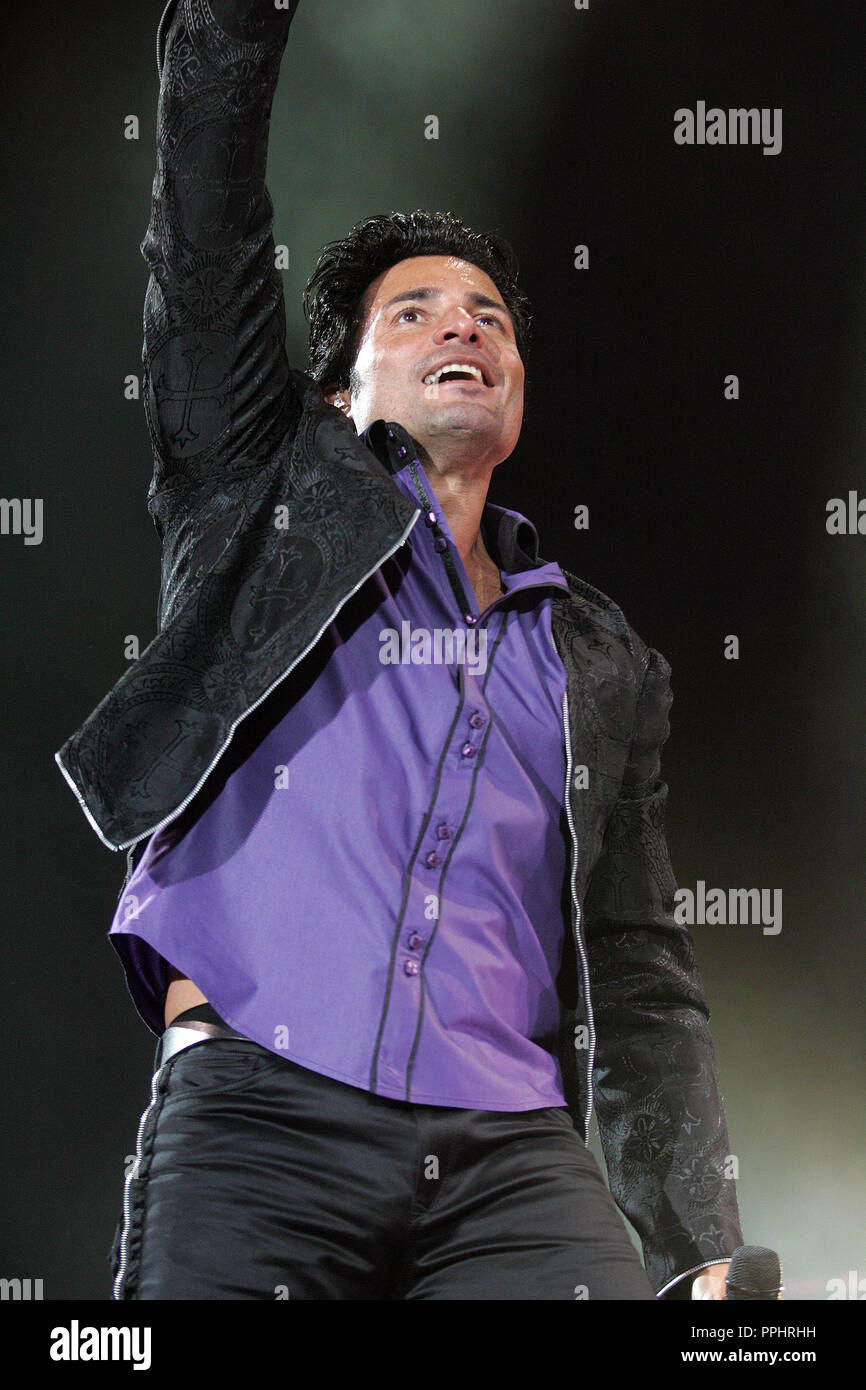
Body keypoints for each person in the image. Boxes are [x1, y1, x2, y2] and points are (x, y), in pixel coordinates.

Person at [56, 0, 744, 1300]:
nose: (466, 326)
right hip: (261, 1110)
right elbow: (204, 225)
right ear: (336, 394)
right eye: (415, 311)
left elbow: (639, 963)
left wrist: (694, 1238)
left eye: (488, 314)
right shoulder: (252, 498)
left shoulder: (597, 655)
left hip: (513, 1158)